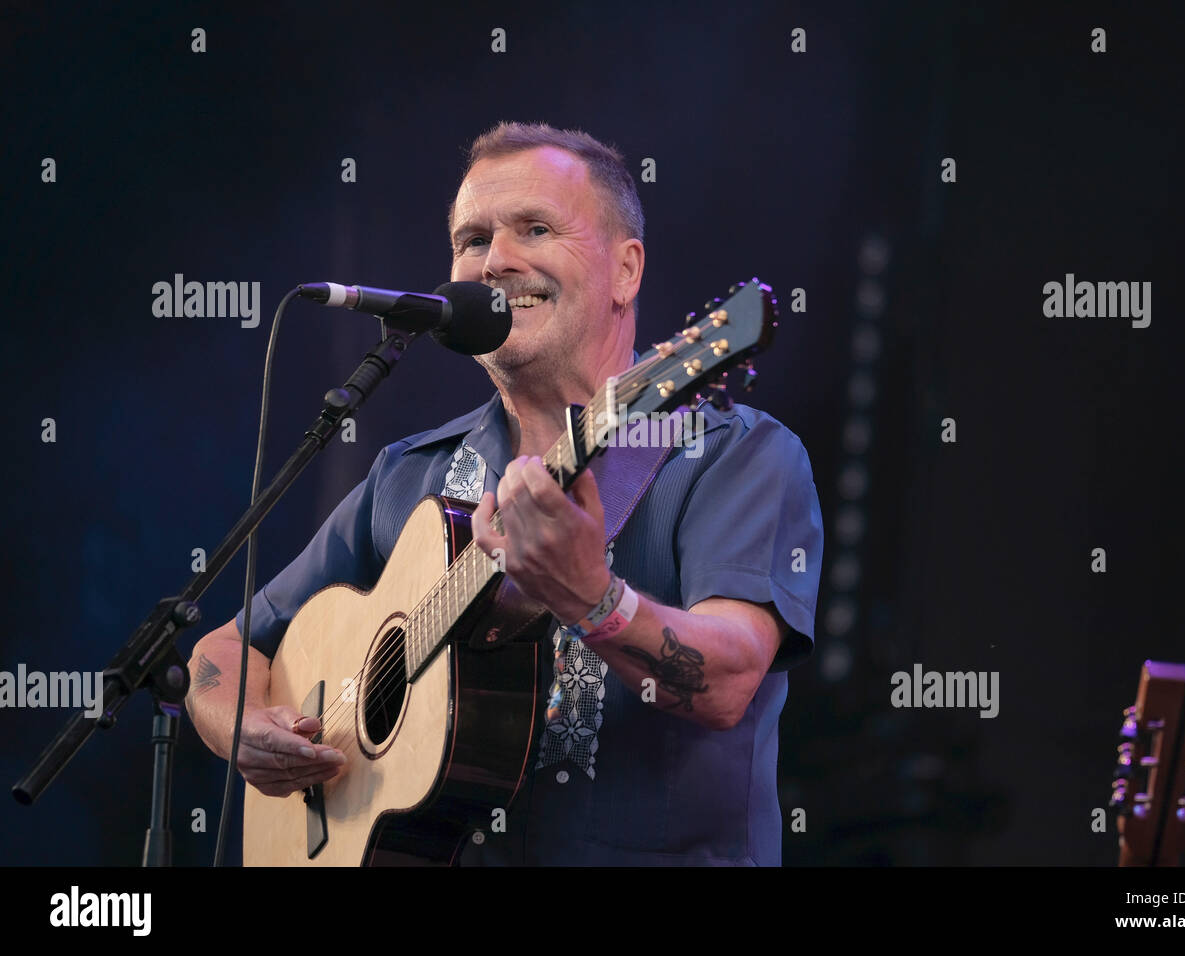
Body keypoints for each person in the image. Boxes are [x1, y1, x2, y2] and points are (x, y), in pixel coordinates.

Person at [185, 121, 823, 865]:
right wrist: (245, 729)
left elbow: (727, 681)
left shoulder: (733, 455)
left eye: (537, 228)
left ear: (626, 271)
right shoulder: (409, 474)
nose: (497, 261)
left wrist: (593, 600)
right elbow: (224, 648)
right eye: (472, 239)